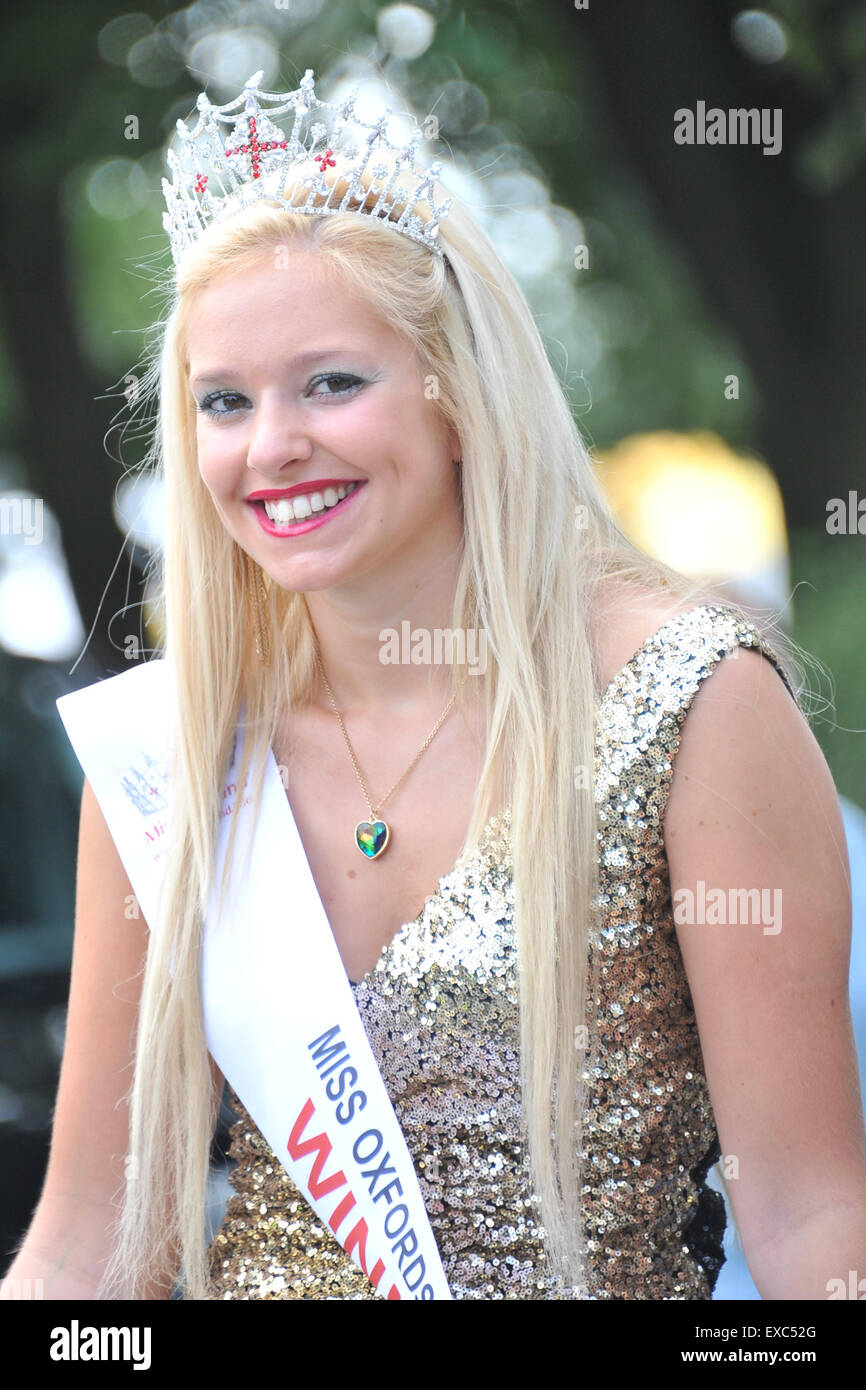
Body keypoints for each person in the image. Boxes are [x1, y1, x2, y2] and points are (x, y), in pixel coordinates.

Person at [5, 70, 865, 1302]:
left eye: (332, 383)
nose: (272, 446)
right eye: (225, 402)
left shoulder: (688, 705)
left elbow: (808, 1217)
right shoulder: (170, 757)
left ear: (457, 390)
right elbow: (93, 1244)